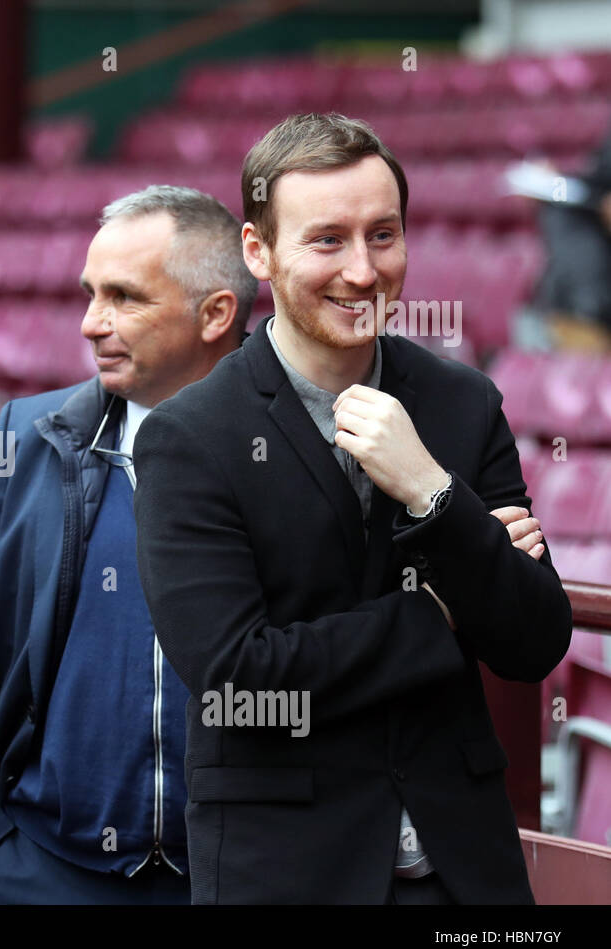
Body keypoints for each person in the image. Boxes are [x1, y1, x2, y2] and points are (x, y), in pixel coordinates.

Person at [133, 112, 573, 905]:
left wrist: (434, 493)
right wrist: (434, 615)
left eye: (384, 235)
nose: (364, 272)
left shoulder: (463, 403)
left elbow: (533, 639)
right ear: (257, 252)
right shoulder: (189, 439)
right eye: (327, 240)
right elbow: (240, 682)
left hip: (466, 875)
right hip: (291, 873)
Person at [0, 186, 259, 904]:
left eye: (124, 298)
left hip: (236, 879)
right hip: (41, 874)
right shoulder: (29, 438)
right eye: (90, 294)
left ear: (216, 313)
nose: (93, 323)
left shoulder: (295, 451)